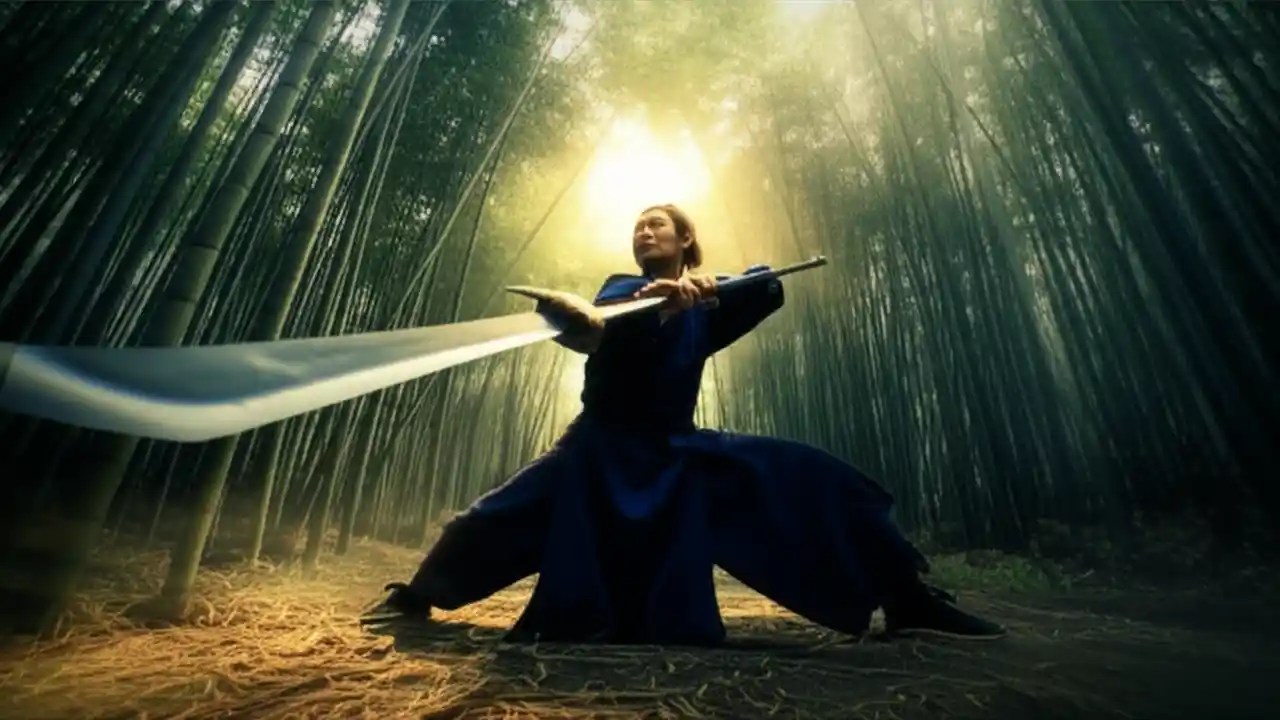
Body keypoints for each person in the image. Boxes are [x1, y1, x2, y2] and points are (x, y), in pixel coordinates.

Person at [374, 204, 1005, 644]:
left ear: (684, 242)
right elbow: (597, 328)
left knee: (824, 484)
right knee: (491, 517)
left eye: (658, 224)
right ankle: (415, 596)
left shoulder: (708, 304)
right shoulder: (620, 287)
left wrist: (715, 287)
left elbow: (765, 289)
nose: (645, 231)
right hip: (596, 449)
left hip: (678, 452)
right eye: (639, 226)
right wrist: (658, 305)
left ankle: (909, 599)